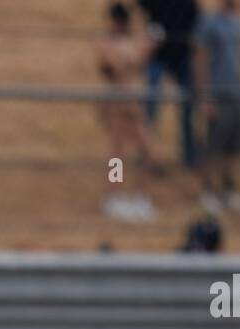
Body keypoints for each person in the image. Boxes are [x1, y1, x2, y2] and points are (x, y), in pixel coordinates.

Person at [97, 3, 158, 223]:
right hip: (116, 103)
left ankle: (141, 196)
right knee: (118, 153)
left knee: (148, 151)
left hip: (134, 103)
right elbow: (114, 65)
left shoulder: (131, 40)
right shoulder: (107, 41)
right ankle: (113, 196)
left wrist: (136, 55)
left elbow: (137, 59)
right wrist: (136, 56)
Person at [194, 0, 240, 215]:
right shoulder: (209, 23)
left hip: (237, 94)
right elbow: (201, 61)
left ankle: (228, 189)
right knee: (214, 146)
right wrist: (205, 96)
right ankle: (208, 191)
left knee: (233, 146)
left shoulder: (239, 23)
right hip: (218, 95)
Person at [138, 0, 200, 169]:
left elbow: (195, 21)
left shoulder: (189, 5)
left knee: (187, 107)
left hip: (181, 55)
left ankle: (190, 155)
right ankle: (148, 152)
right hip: (159, 55)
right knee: (151, 105)